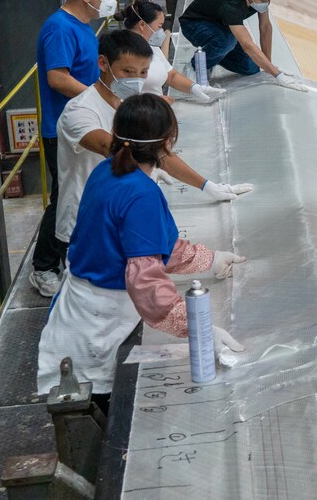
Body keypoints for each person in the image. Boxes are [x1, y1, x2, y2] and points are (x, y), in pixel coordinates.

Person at [36, 93, 246, 408]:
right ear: (168, 144)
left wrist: (210, 259)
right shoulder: (141, 193)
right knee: (101, 409)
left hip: (79, 310)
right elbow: (144, 279)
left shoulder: (106, 170)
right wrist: (197, 328)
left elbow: (148, 243)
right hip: (100, 323)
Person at [57, 30, 252, 263]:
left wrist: (207, 186)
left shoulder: (128, 106)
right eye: (127, 72)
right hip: (85, 222)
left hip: (120, 214)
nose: (136, 79)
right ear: (103, 63)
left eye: (143, 73)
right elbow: (111, 146)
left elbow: (151, 151)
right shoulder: (80, 111)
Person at [31, 0, 109, 297]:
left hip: (84, 122)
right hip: (62, 129)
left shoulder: (83, 26)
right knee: (65, 197)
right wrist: (101, 99)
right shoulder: (60, 28)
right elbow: (58, 79)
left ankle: (73, 258)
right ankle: (44, 267)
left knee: (80, 194)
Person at [180, 0, 307, 91]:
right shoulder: (231, 2)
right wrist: (278, 75)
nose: (266, 3)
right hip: (194, 24)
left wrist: (269, 66)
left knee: (252, 68)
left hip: (221, 27)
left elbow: (265, 27)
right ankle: (195, 67)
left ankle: (213, 56)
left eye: (269, 0)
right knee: (226, 42)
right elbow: (247, 44)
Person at [117, 0, 225, 104]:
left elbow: (171, 76)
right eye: (159, 26)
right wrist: (154, 101)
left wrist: (194, 87)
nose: (161, 31)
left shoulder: (152, 49)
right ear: (142, 25)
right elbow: (120, 97)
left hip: (156, 112)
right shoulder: (121, 54)